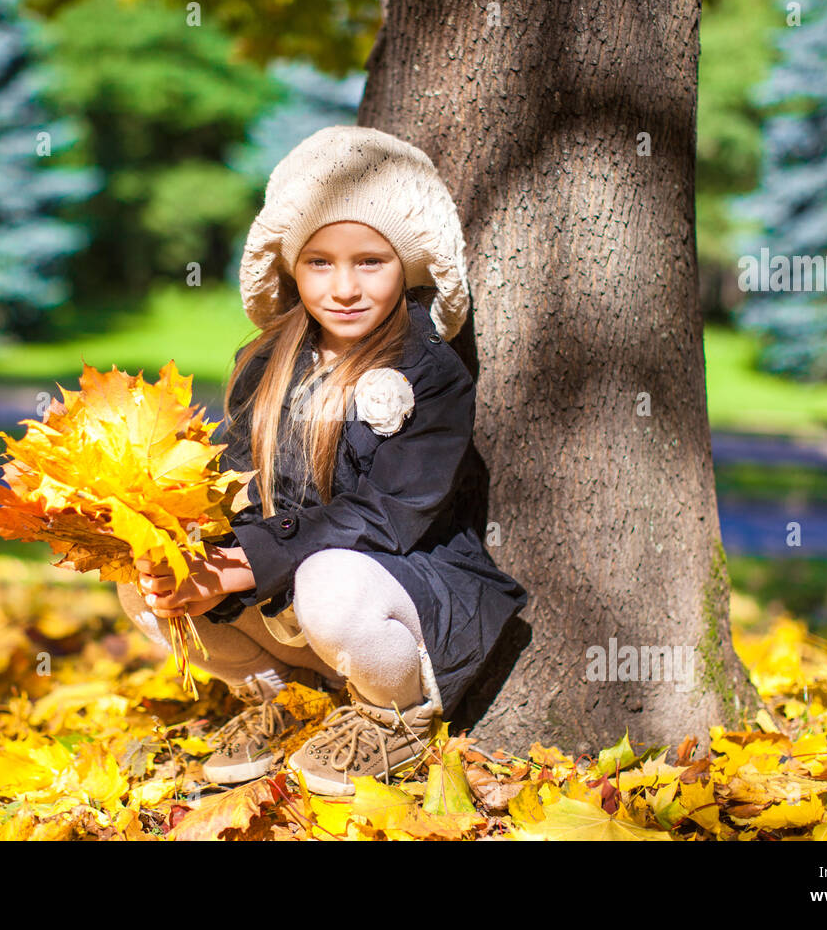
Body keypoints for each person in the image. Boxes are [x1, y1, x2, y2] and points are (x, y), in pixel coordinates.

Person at [117, 125, 528, 796]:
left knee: (330, 581)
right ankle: (287, 701)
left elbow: (390, 516)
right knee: (146, 580)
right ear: (291, 266)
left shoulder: (430, 373)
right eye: (319, 263)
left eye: (370, 262)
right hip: (286, 595)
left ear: (407, 267)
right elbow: (227, 482)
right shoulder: (267, 364)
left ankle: (393, 719)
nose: (343, 287)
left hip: (387, 595)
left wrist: (247, 560)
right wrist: (177, 535)